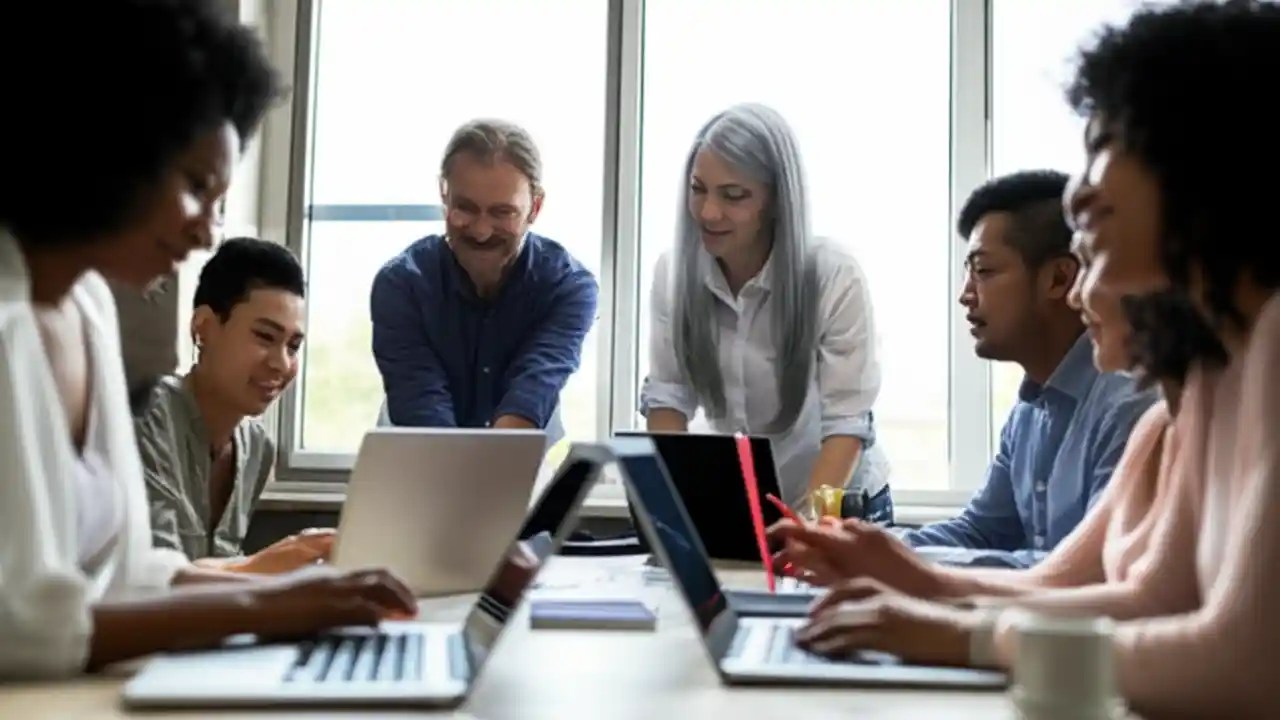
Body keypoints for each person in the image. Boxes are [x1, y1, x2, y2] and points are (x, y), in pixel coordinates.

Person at [776, 1, 1280, 715]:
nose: (1080, 192)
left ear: (1204, 152)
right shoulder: (1211, 373)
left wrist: (965, 635)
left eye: (1105, 143)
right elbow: (1145, 600)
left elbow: (1245, 665)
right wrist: (920, 591)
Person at [0, 0, 413, 679]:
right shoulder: (9, 321)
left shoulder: (90, 308)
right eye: (196, 187)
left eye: (221, 202)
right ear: (110, 149)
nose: (208, 230)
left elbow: (130, 570)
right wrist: (263, 606)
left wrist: (299, 593)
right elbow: (19, 626)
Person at [640, 103, 893, 520]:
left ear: (777, 201)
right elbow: (668, 397)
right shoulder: (674, 275)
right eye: (698, 189)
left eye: (733, 196)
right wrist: (673, 513)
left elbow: (846, 424)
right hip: (746, 507)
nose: (708, 212)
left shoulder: (833, 275)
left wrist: (808, 526)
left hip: (840, 501)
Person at [899, 170, 1155, 568]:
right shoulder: (1030, 409)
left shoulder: (1128, 404)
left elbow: (1092, 573)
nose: (966, 295)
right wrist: (869, 547)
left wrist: (893, 563)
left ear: (1059, 279)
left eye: (983, 272)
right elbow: (981, 532)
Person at [370, 119, 598, 444]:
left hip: (515, 450)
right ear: (444, 194)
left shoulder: (568, 288)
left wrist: (491, 468)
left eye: (502, 213)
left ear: (535, 207)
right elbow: (420, 403)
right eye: (465, 208)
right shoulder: (400, 285)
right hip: (420, 453)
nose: (480, 231)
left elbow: (535, 384)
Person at [135, 237, 333, 572]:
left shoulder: (258, 447)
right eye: (265, 337)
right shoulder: (146, 417)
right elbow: (153, 579)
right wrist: (273, 562)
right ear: (204, 328)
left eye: (294, 346)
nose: (281, 364)